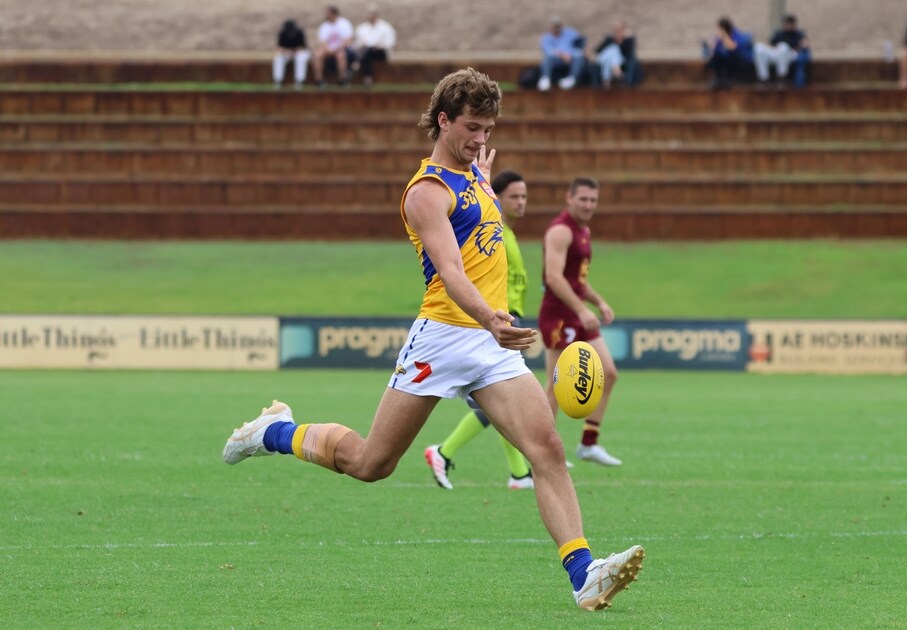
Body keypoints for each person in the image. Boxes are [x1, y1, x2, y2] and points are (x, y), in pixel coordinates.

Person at [222, 68, 645, 611]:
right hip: (443, 336)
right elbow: (451, 271)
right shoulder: (426, 193)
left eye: (488, 129)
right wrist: (492, 318)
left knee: (548, 449)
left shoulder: (476, 175)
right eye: (472, 127)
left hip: (490, 346)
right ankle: (274, 431)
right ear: (442, 121)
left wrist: (486, 183)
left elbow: (480, 228)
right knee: (372, 463)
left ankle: (583, 573)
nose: (480, 139)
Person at [424, 170, 535, 491]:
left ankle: (518, 473)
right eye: (514, 196)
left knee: (500, 401)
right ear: (496, 198)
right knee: (500, 402)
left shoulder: (508, 236)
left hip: (507, 319)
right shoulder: (494, 230)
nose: (521, 202)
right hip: (495, 320)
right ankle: (445, 452)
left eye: (525, 196)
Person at [539, 178, 622, 467]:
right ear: (569, 198)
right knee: (555, 385)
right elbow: (553, 278)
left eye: (593, 200)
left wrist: (598, 303)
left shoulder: (583, 231)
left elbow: (577, 281)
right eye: (583, 199)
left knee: (608, 373)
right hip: (558, 315)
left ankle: (589, 443)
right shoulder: (560, 230)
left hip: (577, 313)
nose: (589, 205)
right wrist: (582, 309)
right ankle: (541, 450)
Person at [753, 14, 811, 89]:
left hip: (791, 53)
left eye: (790, 24)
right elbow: (770, 43)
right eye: (787, 24)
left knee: (783, 47)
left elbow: (804, 44)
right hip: (778, 53)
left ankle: (781, 77)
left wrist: (800, 46)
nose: (789, 26)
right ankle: (763, 78)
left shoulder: (798, 34)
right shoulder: (779, 33)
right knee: (759, 47)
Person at [704, 17, 755, 90]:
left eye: (719, 29)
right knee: (716, 57)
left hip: (742, 63)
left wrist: (724, 36)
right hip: (729, 64)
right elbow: (713, 49)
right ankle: (720, 79)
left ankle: (728, 79)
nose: (717, 31)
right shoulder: (719, 37)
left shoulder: (736, 34)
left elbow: (733, 47)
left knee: (729, 57)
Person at [537, 17, 586, 91]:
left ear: (561, 26)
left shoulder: (570, 33)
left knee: (579, 55)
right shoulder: (546, 38)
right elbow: (548, 50)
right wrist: (562, 55)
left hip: (570, 57)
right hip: (556, 59)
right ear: (550, 27)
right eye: (554, 26)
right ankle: (546, 78)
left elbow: (580, 43)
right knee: (548, 57)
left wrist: (582, 50)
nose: (556, 28)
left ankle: (572, 79)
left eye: (557, 26)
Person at [354, 4, 396, 86]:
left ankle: (358, 64)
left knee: (369, 51)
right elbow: (358, 43)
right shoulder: (362, 28)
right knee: (368, 51)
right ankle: (367, 78)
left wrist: (381, 46)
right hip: (366, 52)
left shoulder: (386, 27)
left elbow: (390, 43)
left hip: (380, 53)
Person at [312, 5, 355, 87]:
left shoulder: (344, 23)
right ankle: (319, 79)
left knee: (341, 55)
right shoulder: (324, 26)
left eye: (327, 13)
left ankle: (342, 79)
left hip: (341, 48)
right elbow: (322, 41)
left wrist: (336, 49)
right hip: (327, 49)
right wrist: (328, 49)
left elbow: (347, 40)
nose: (325, 15)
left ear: (333, 13)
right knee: (317, 54)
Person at [593, 20, 638, 89]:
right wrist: (614, 41)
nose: (617, 32)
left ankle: (606, 80)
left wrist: (621, 41)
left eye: (619, 30)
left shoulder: (628, 39)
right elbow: (599, 50)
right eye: (616, 30)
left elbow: (629, 53)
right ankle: (617, 71)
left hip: (618, 60)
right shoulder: (609, 38)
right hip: (603, 59)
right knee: (613, 49)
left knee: (611, 55)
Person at [272, 19, 311, 89]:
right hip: (287, 53)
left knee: (300, 58)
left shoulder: (299, 32)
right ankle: (278, 81)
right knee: (278, 58)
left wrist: (293, 52)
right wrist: (286, 52)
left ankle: (299, 81)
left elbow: (302, 47)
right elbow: (279, 47)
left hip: (299, 52)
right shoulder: (282, 33)